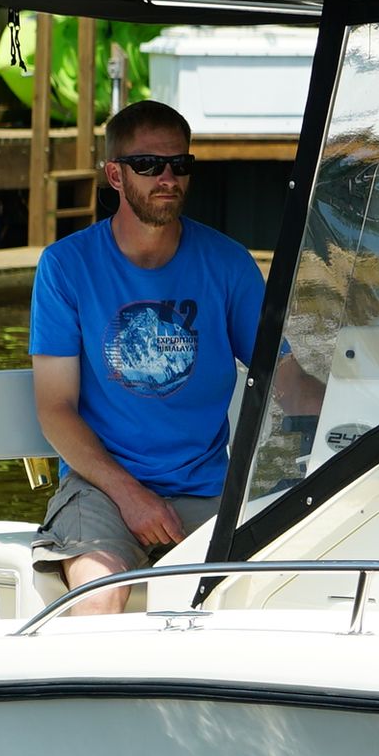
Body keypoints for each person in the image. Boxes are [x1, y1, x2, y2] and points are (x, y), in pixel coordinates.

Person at [29, 100, 267, 609]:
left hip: (210, 488)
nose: (167, 177)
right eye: (148, 165)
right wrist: (131, 496)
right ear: (115, 174)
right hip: (102, 487)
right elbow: (54, 409)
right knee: (99, 595)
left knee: (287, 585)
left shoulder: (229, 263)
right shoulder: (65, 267)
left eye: (180, 165)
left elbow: (284, 377)